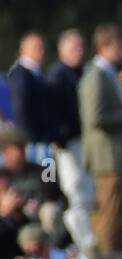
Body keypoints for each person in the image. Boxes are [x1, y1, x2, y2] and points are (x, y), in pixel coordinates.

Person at [78, 24, 122, 259]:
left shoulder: (110, 75)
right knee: (109, 223)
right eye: (119, 46)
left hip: (118, 159)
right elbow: (94, 117)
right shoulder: (95, 77)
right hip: (107, 161)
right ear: (104, 47)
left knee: (119, 222)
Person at [46, 29, 96, 259]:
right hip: (69, 144)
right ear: (61, 50)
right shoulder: (58, 76)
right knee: (76, 194)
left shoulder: (85, 73)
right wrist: (59, 137)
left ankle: (82, 246)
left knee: (87, 194)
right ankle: (86, 245)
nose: (79, 52)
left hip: (85, 141)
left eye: (81, 47)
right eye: (74, 48)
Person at [8, 33, 52, 162]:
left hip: (43, 140)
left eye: (43, 47)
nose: (41, 51)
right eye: (36, 47)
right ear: (23, 50)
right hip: (32, 142)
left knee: (48, 178)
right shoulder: (20, 74)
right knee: (38, 178)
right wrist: (26, 139)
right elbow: (20, 108)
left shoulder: (38, 73)